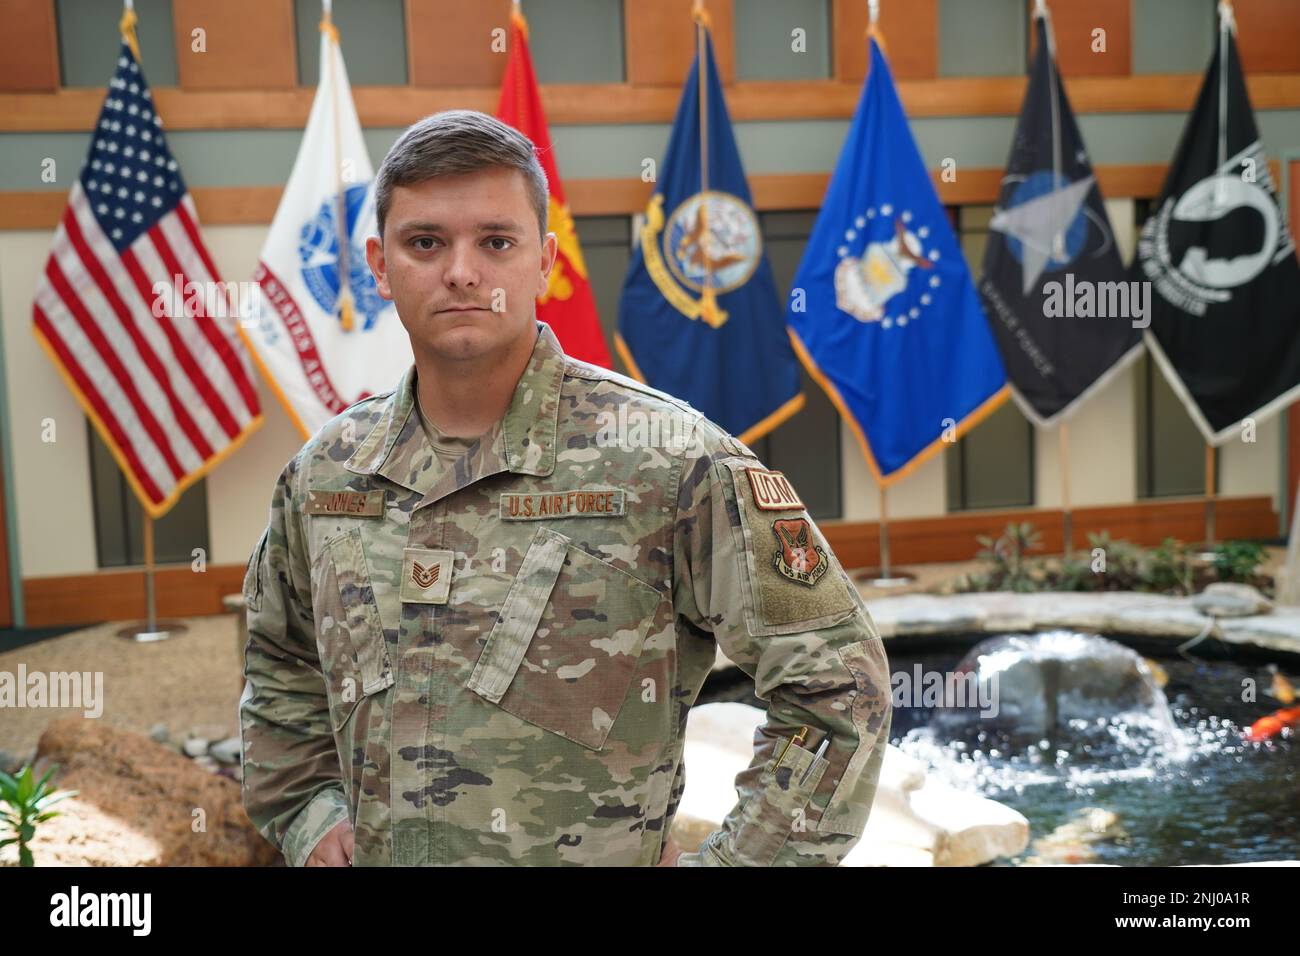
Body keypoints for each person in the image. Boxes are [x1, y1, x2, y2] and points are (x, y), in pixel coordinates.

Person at [239, 109, 892, 866]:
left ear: (544, 260)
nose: (461, 271)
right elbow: (280, 662)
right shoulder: (325, 477)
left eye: (495, 241)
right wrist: (309, 812)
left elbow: (841, 691)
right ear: (378, 266)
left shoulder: (670, 462)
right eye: (426, 243)